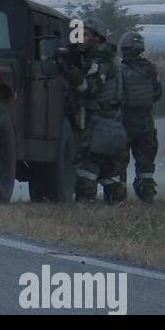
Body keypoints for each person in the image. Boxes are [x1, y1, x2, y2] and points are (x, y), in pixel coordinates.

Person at [59, 18, 126, 203]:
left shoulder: (102, 61)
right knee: (107, 172)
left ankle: (85, 208)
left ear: (97, 38)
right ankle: (118, 203)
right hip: (109, 122)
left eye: (85, 35)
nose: (81, 38)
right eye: (79, 34)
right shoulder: (104, 57)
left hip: (99, 122)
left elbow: (90, 89)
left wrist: (71, 72)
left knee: (86, 170)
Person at [117, 31, 162, 202]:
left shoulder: (119, 70)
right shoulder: (150, 69)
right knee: (146, 160)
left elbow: (116, 95)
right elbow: (158, 93)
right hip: (146, 121)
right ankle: (146, 190)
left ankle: (118, 194)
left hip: (125, 120)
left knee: (120, 160)